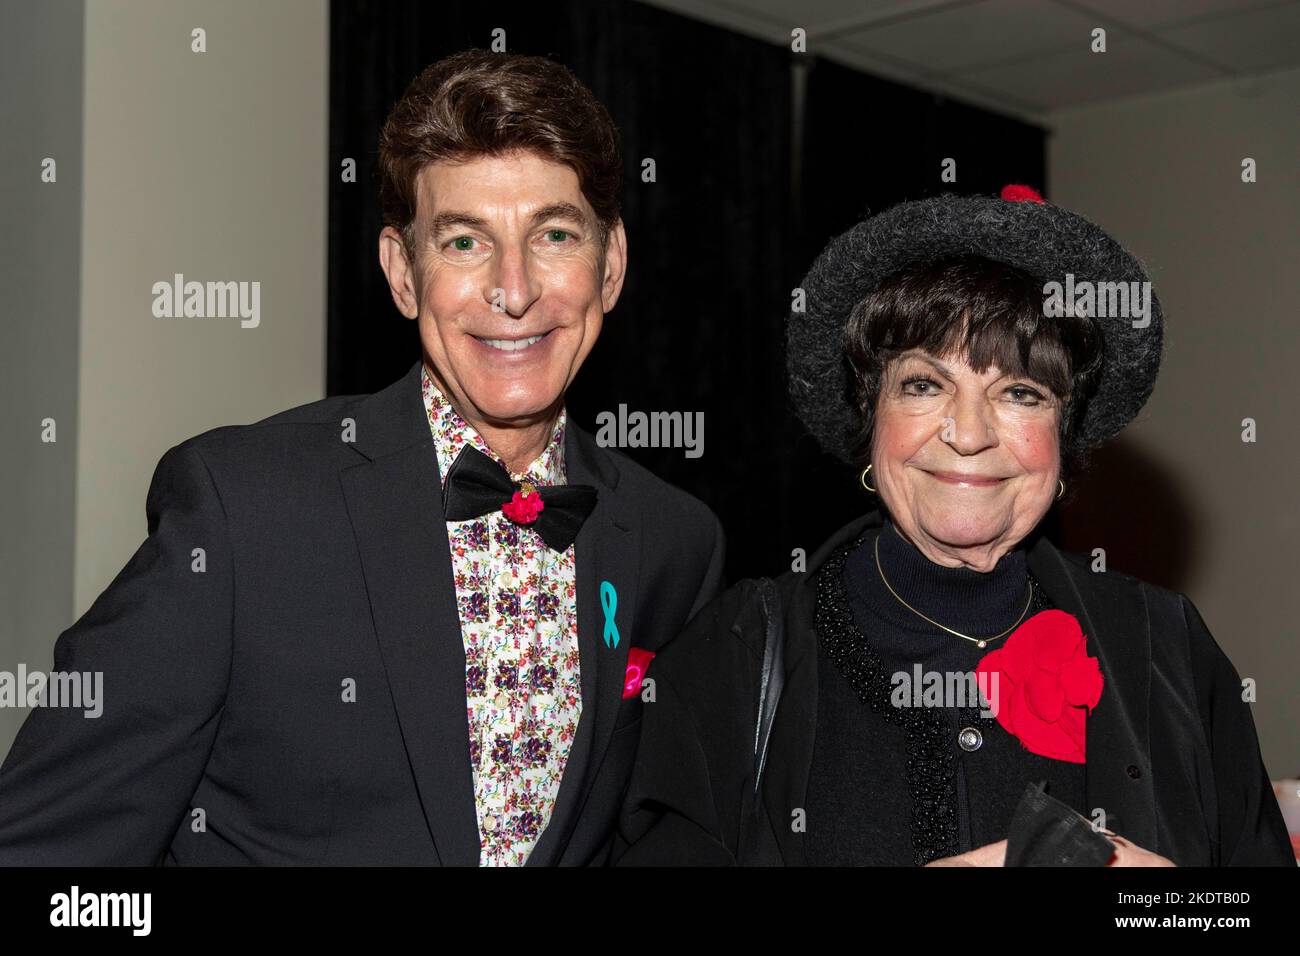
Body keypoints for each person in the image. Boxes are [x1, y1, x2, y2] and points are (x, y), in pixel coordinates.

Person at [0, 50, 723, 866]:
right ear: (402, 274)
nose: (514, 289)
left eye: (554, 235)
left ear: (612, 264)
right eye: (463, 242)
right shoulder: (244, 509)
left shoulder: (673, 540)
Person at [615, 185, 1293, 866]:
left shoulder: (1167, 653)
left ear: (1062, 443)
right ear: (870, 417)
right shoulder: (735, 654)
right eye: (924, 385)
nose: (968, 434)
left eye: (1021, 394)